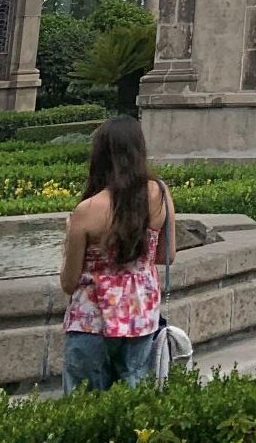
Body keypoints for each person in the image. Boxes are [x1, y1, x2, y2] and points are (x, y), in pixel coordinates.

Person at [59, 115, 173, 392]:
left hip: (91, 321)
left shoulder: (87, 210)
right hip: (141, 318)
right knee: (134, 400)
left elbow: (69, 283)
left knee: (84, 401)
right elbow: (166, 256)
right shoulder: (159, 193)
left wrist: (68, 238)